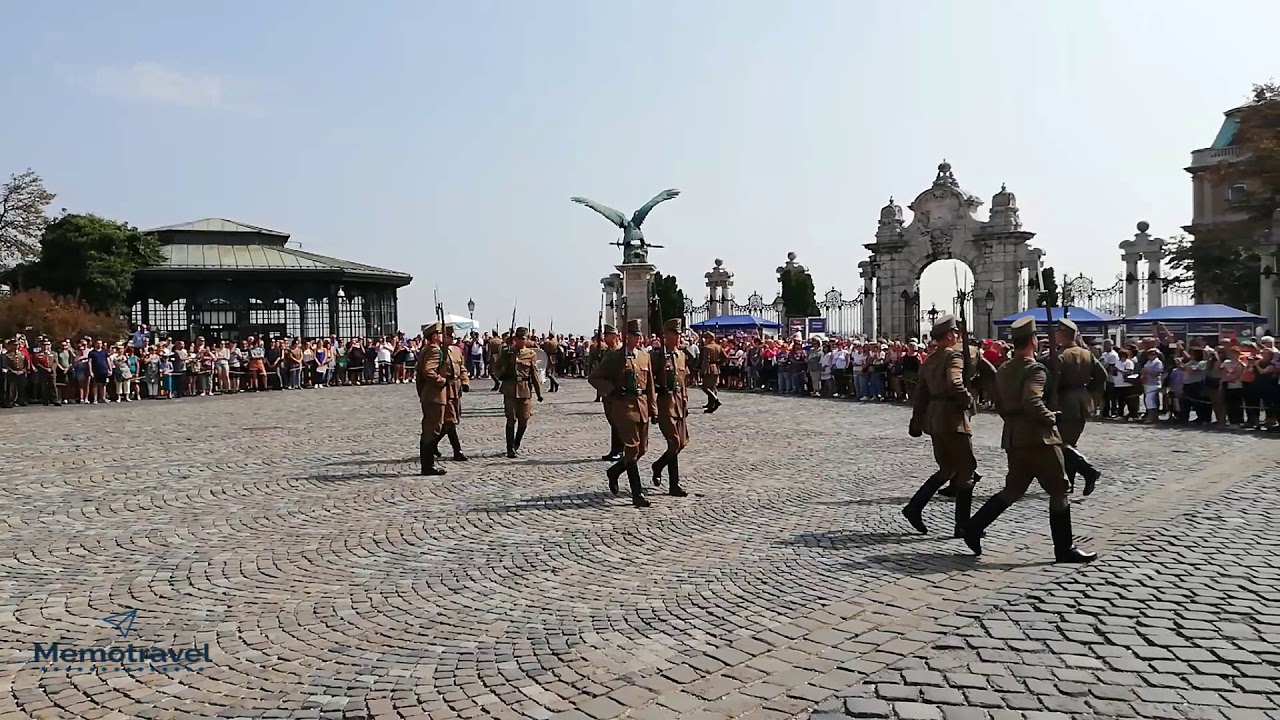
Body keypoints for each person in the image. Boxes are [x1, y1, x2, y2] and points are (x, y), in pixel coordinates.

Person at [962, 316, 1095, 564]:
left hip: (1014, 436)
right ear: (1033, 341)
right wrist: (1050, 418)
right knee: (1059, 490)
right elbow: (1032, 400)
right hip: (1039, 438)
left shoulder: (1004, 369)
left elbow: (1000, 402)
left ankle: (973, 526)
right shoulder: (1034, 370)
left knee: (1013, 490)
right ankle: (1064, 548)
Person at [905, 315, 995, 538]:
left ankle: (914, 507)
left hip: (935, 419)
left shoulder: (929, 360)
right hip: (953, 419)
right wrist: (967, 399)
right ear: (949, 335)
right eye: (956, 332)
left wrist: (916, 422)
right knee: (966, 470)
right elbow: (955, 382)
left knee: (947, 469)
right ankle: (962, 525)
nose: (958, 336)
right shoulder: (953, 355)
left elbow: (921, 395)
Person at [589, 319, 657, 508]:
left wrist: (653, 408)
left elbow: (649, 385)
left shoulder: (644, 357)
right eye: (634, 336)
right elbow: (595, 377)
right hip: (623, 407)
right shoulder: (614, 357)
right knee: (632, 448)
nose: (638, 339)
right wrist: (610, 391)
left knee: (642, 449)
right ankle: (637, 494)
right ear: (626, 337)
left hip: (641, 406)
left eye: (639, 336)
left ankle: (615, 471)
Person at [1052, 319, 1106, 495]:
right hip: (1082, 401)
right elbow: (1102, 376)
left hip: (1064, 402)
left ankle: (1088, 471)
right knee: (1070, 444)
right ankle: (1069, 483)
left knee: (1060, 445)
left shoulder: (1060, 356)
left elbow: (1053, 383)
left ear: (1061, 335)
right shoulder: (1087, 354)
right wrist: (1089, 392)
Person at [650, 318, 691, 498]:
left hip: (679, 403)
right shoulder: (656, 356)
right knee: (673, 442)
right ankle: (674, 485)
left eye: (679, 333)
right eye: (674, 333)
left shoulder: (681, 355)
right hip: (665, 403)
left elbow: (683, 382)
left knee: (682, 443)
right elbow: (648, 382)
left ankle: (658, 465)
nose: (678, 337)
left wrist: (686, 401)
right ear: (665, 335)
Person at [492, 327, 542, 458]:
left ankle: (516, 443)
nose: (521, 341)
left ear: (526, 339)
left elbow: (534, 374)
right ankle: (510, 448)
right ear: (515, 339)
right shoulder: (507, 352)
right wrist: (502, 374)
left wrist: (538, 392)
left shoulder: (531, 354)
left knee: (524, 420)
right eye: (519, 338)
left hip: (525, 389)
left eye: (523, 338)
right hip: (510, 388)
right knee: (511, 419)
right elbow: (495, 367)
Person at [414, 323, 453, 476]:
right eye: (440, 333)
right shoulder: (434, 351)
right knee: (432, 429)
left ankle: (428, 464)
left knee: (432, 428)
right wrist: (441, 380)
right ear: (435, 336)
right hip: (435, 395)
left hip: (430, 395)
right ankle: (427, 466)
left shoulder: (428, 350)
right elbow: (428, 371)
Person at [438, 324, 471, 461]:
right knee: (450, 421)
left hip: (456, 389)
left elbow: (461, 367)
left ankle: (433, 443)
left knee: (452, 420)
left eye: (452, 336)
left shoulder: (456, 350)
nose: (451, 338)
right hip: (444, 388)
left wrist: (465, 382)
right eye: (448, 336)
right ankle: (457, 451)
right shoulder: (438, 351)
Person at [595, 327, 623, 461]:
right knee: (612, 421)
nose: (605, 338)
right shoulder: (607, 351)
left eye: (608, 335)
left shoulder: (619, 352)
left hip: (616, 391)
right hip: (608, 392)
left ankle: (619, 450)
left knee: (618, 421)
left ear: (615, 336)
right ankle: (615, 449)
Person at [699, 332, 725, 413]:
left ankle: (716, 401)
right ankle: (711, 405)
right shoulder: (718, 347)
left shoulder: (707, 348)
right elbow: (725, 357)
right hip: (716, 368)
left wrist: (702, 371)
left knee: (705, 387)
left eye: (706, 338)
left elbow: (706, 361)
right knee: (713, 387)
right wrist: (718, 362)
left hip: (709, 368)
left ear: (710, 338)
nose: (705, 340)